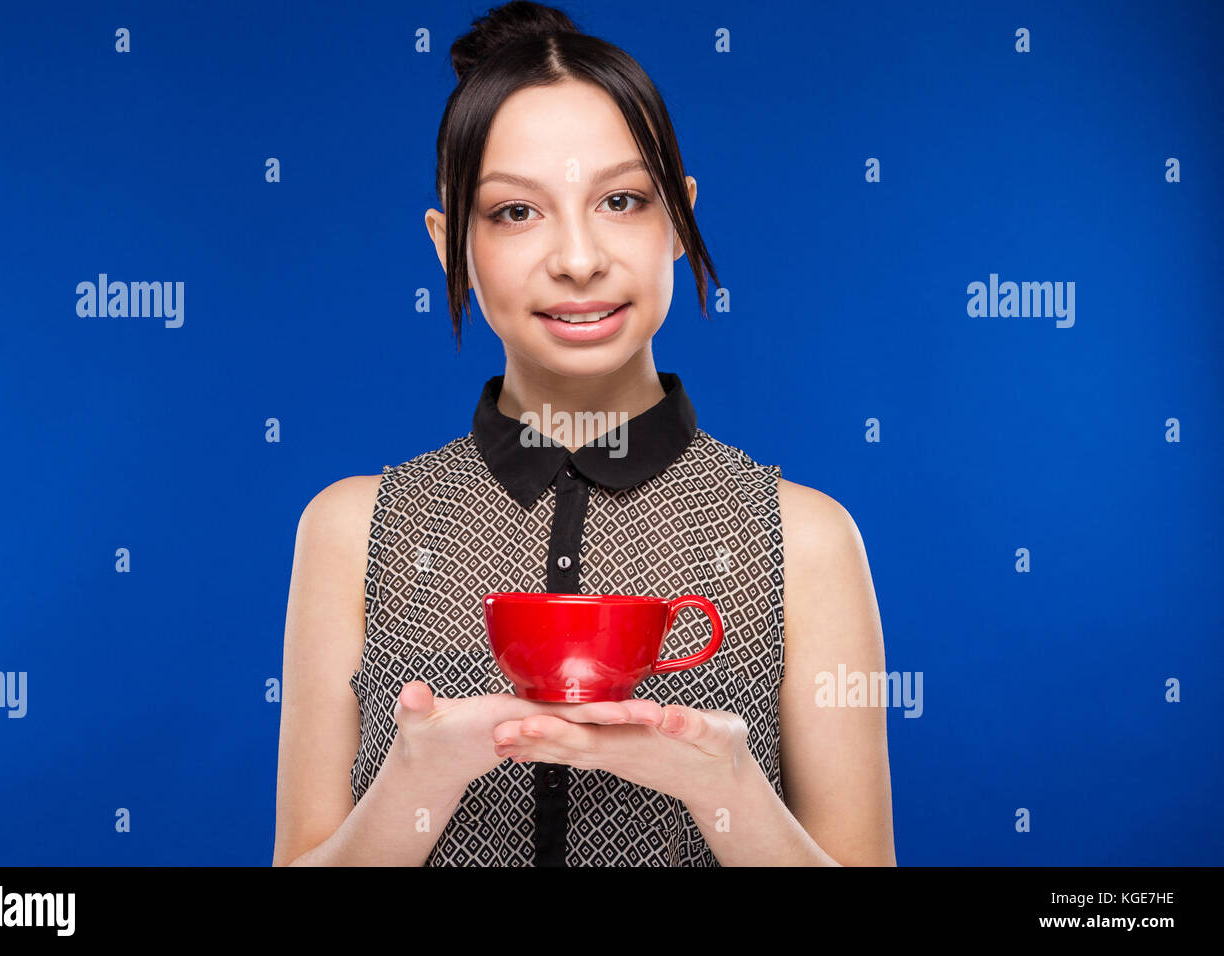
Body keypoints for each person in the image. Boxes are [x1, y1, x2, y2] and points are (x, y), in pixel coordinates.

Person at [272, 0, 896, 867]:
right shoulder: (353, 529)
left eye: (620, 200)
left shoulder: (804, 540)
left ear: (676, 219)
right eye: (515, 213)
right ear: (450, 243)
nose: (577, 257)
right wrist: (416, 777)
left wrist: (729, 789)